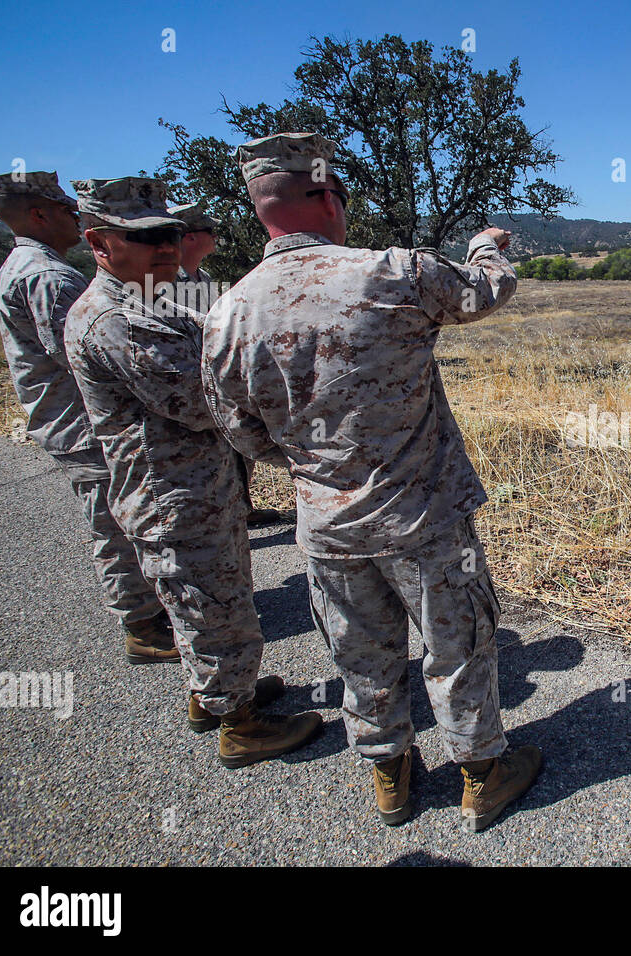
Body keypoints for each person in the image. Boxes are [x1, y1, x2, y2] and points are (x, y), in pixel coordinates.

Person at [203, 132, 540, 828]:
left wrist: (318, 467)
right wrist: (487, 246)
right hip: (424, 516)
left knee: (360, 652)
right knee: (458, 644)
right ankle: (483, 771)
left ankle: (390, 773)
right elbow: (485, 292)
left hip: (326, 524)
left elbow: (241, 431)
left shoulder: (229, 311)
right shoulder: (394, 271)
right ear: (328, 195)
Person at [64, 175, 318, 762]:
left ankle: (218, 693)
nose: (165, 247)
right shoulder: (116, 318)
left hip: (196, 486)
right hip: (172, 494)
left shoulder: (147, 299)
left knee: (215, 600)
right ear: (99, 243)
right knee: (209, 606)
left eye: (169, 234)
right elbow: (201, 400)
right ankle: (241, 724)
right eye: (144, 236)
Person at [0, 170, 175, 664]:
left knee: (115, 515)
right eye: (68, 211)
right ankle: (143, 623)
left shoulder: (34, 267)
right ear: (39, 214)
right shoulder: (47, 276)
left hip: (73, 419)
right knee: (114, 522)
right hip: (85, 423)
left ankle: (150, 612)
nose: (76, 218)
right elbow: (82, 354)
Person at [170, 199, 287, 528]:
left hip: (221, 381)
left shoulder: (202, 277)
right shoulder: (166, 283)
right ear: (189, 237)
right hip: (194, 386)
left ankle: (242, 507)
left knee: (239, 450)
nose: (216, 235)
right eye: (209, 230)